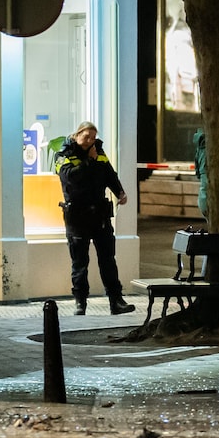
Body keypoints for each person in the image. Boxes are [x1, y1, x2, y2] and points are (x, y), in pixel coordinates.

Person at [54, 121, 136, 316]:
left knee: (108, 259)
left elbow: (109, 173)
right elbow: (70, 178)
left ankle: (116, 301)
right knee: (80, 263)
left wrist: (119, 191)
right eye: (86, 137)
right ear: (77, 135)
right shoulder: (64, 154)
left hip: (99, 215)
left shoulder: (98, 151)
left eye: (93, 137)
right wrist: (89, 161)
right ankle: (80, 303)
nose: (90, 141)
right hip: (77, 217)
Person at [193, 127, 209, 220]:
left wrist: (198, 173)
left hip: (203, 170)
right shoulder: (208, 142)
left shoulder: (200, 143)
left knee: (204, 192)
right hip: (207, 169)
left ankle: (207, 216)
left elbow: (196, 158)